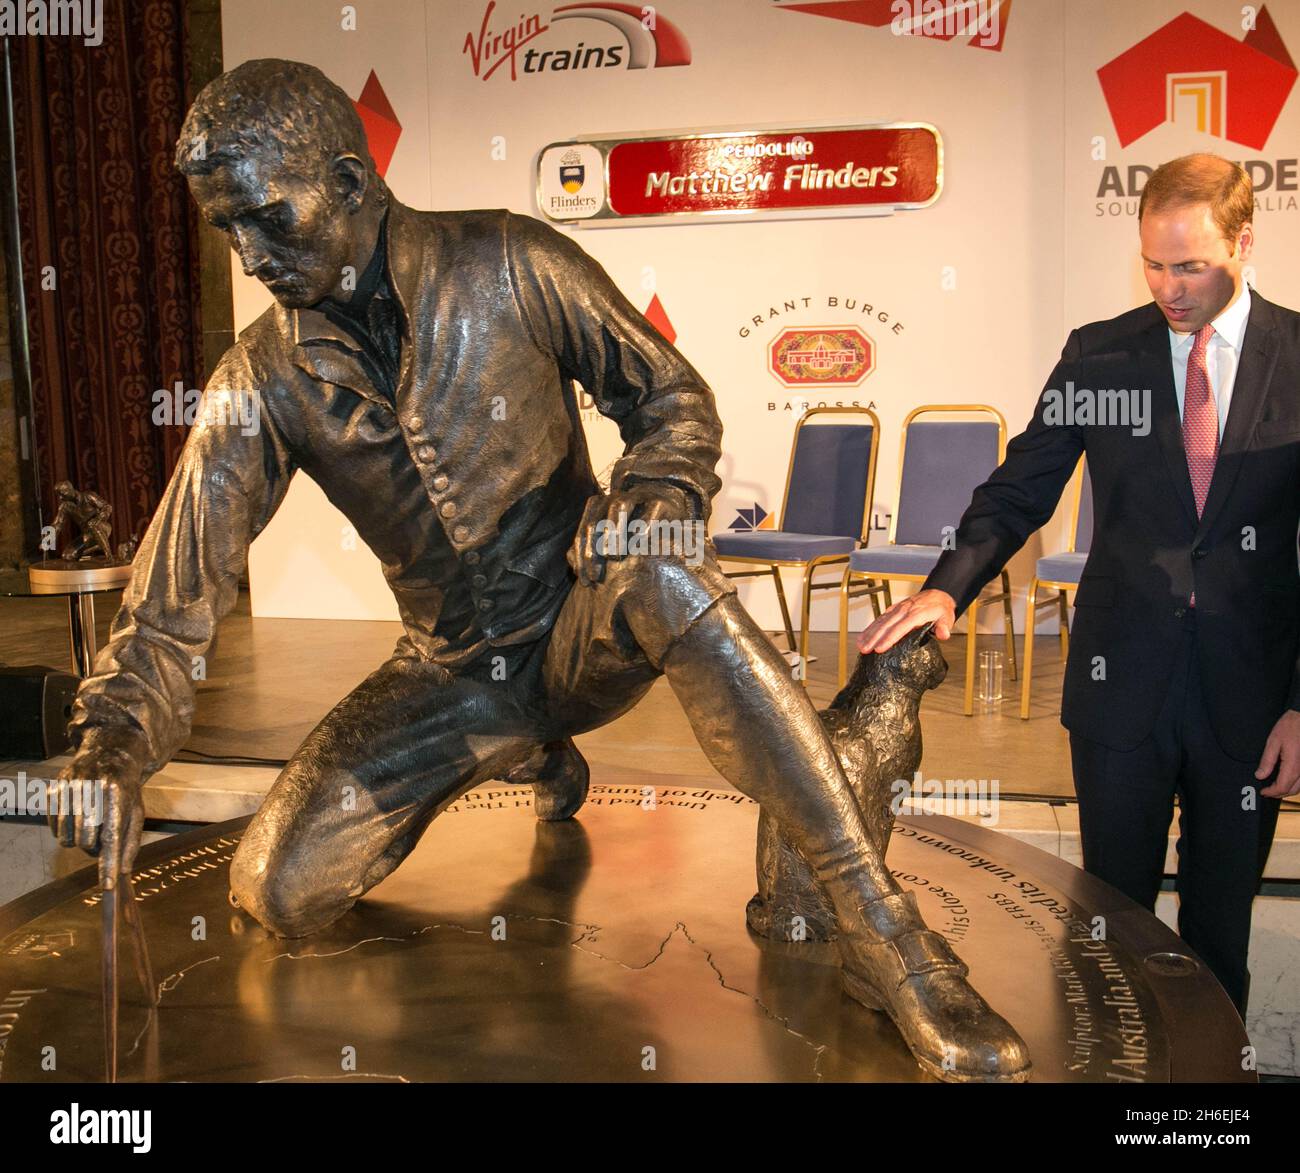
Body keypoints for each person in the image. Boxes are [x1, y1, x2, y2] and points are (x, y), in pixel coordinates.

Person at [46, 59, 1029, 1081]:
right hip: (449, 675)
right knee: (276, 893)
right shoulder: (260, 377)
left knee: (659, 564)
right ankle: (522, 749)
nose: (251, 258)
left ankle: (889, 940)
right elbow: (171, 601)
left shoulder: (509, 261)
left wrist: (655, 490)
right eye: (226, 231)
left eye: (268, 219)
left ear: (348, 182)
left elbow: (668, 398)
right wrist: (112, 748)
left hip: (584, 617)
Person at [859, 153, 1300, 1017]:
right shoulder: (1102, 357)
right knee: (1108, 935)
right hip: (1119, 688)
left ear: (1246, 242)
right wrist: (950, 585)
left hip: (1252, 707)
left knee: (1219, 941)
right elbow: (1023, 485)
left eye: (1191, 265)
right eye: (1152, 263)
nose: (1168, 287)